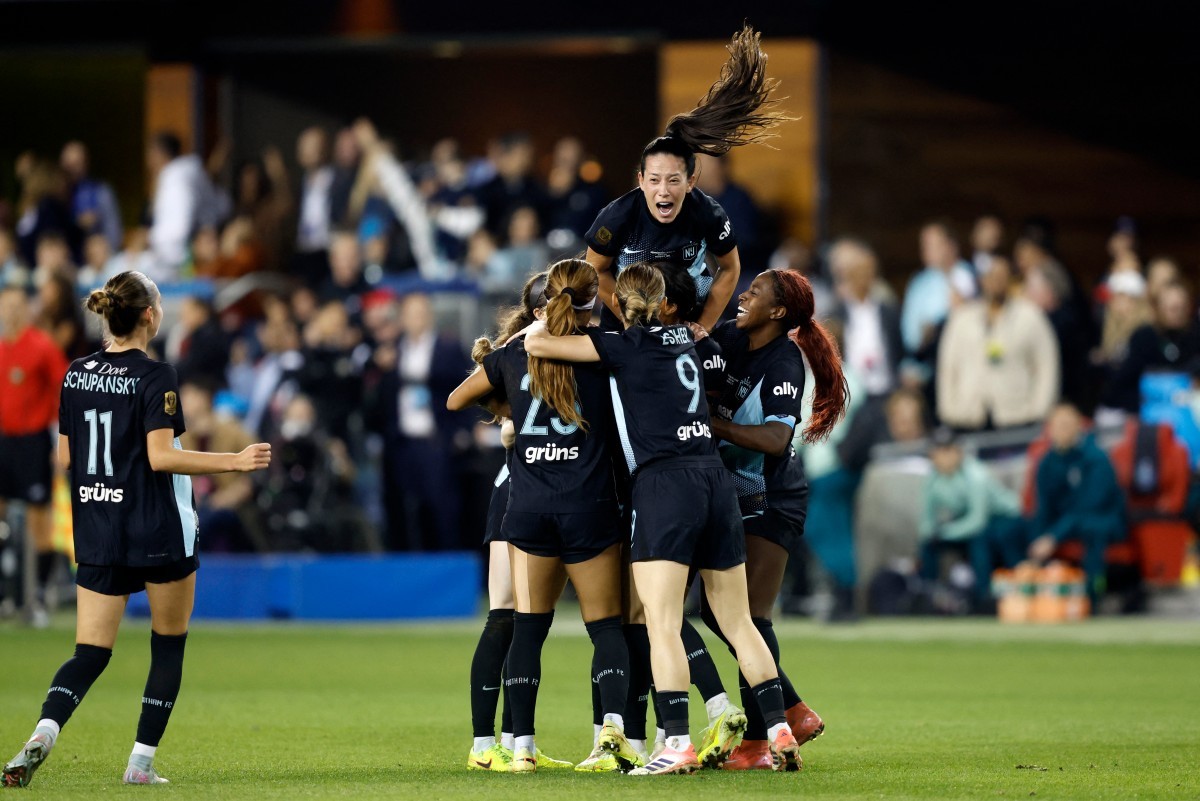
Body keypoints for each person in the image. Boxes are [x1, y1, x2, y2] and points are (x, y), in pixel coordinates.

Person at [524, 262, 805, 774]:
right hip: (715, 483)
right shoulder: (688, 340)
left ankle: (675, 742)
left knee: (662, 622)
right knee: (739, 622)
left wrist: (549, 314)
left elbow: (539, 346)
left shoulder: (626, 346)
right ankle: (778, 729)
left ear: (621, 303)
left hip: (664, 485)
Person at [2, 270, 270, 788]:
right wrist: (234, 462)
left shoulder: (75, 373)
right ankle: (140, 765)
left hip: (99, 526)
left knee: (89, 653)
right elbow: (161, 456)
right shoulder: (156, 376)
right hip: (155, 527)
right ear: (149, 314)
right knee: (167, 645)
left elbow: (65, 457)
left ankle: (44, 731)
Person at [448, 259, 636, 773]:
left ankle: (521, 748)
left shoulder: (513, 354)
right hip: (589, 505)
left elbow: (455, 399)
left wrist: (512, 411)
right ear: (592, 301)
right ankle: (611, 741)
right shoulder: (602, 352)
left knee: (525, 629)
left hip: (527, 506)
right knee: (607, 629)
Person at [703, 267, 847, 769]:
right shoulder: (728, 335)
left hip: (774, 498)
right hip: (732, 494)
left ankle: (762, 740)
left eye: (755, 292)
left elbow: (775, 439)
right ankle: (791, 710)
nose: (744, 296)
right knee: (718, 612)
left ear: (779, 312)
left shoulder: (785, 362)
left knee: (749, 617)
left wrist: (710, 423)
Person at [583, 24, 788, 332]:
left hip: (687, 324)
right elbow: (595, 271)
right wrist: (628, 316)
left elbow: (731, 269)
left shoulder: (708, 213)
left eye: (673, 180)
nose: (663, 191)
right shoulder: (617, 216)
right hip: (627, 328)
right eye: (654, 180)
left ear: (691, 182)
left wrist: (703, 327)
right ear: (640, 180)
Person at [0, 284, 69, 626]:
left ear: (27, 308)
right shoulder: (0, 349)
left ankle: (40, 597)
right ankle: (7, 594)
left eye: (15, 305)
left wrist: (61, 441)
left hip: (33, 442)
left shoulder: (41, 346)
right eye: (4, 305)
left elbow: (64, 391)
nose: (9, 311)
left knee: (39, 523)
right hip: (4, 441)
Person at [936, 255, 1059, 430]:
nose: (996, 282)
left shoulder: (1030, 317)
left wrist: (1040, 409)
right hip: (968, 416)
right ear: (982, 280)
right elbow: (948, 367)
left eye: (1002, 277)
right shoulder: (962, 319)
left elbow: (1046, 365)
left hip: (1017, 414)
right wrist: (948, 409)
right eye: (991, 276)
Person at [1027, 404, 1126, 605]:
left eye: (1067, 425)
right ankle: (1028, 590)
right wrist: (1039, 537)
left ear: (1078, 427)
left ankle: (1092, 597)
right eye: (1057, 425)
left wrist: (1053, 536)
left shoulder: (1096, 458)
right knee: (1015, 527)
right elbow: (1044, 506)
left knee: (1092, 530)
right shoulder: (1047, 462)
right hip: (1066, 523)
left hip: (1104, 520)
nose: (1061, 430)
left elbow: (1089, 506)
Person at [918, 427, 1026, 609]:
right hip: (969, 523)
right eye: (938, 451)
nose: (944, 457)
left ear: (958, 452)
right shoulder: (933, 478)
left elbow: (977, 521)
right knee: (928, 544)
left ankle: (982, 599)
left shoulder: (976, 474)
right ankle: (929, 595)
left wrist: (945, 533)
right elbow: (926, 521)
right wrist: (932, 534)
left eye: (948, 450)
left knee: (979, 540)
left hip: (1005, 519)